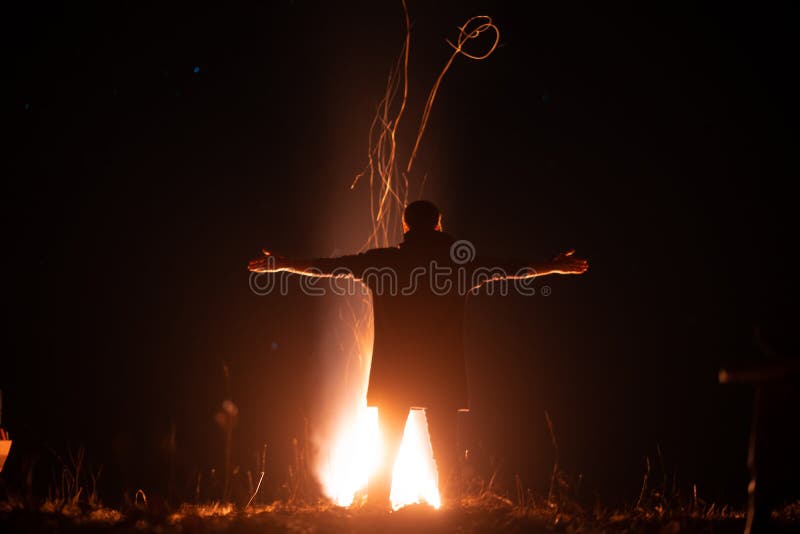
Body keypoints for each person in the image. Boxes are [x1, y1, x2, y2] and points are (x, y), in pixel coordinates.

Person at [248, 200, 588, 509]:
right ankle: (451, 510)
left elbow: (326, 267)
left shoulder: (383, 261)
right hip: (443, 372)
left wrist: (284, 265)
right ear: (439, 225)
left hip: (394, 372)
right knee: (444, 450)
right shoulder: (461, 265)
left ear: (406, 226)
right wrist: (552, 267)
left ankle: (378, 507)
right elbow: (513, 268)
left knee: (388, 445)